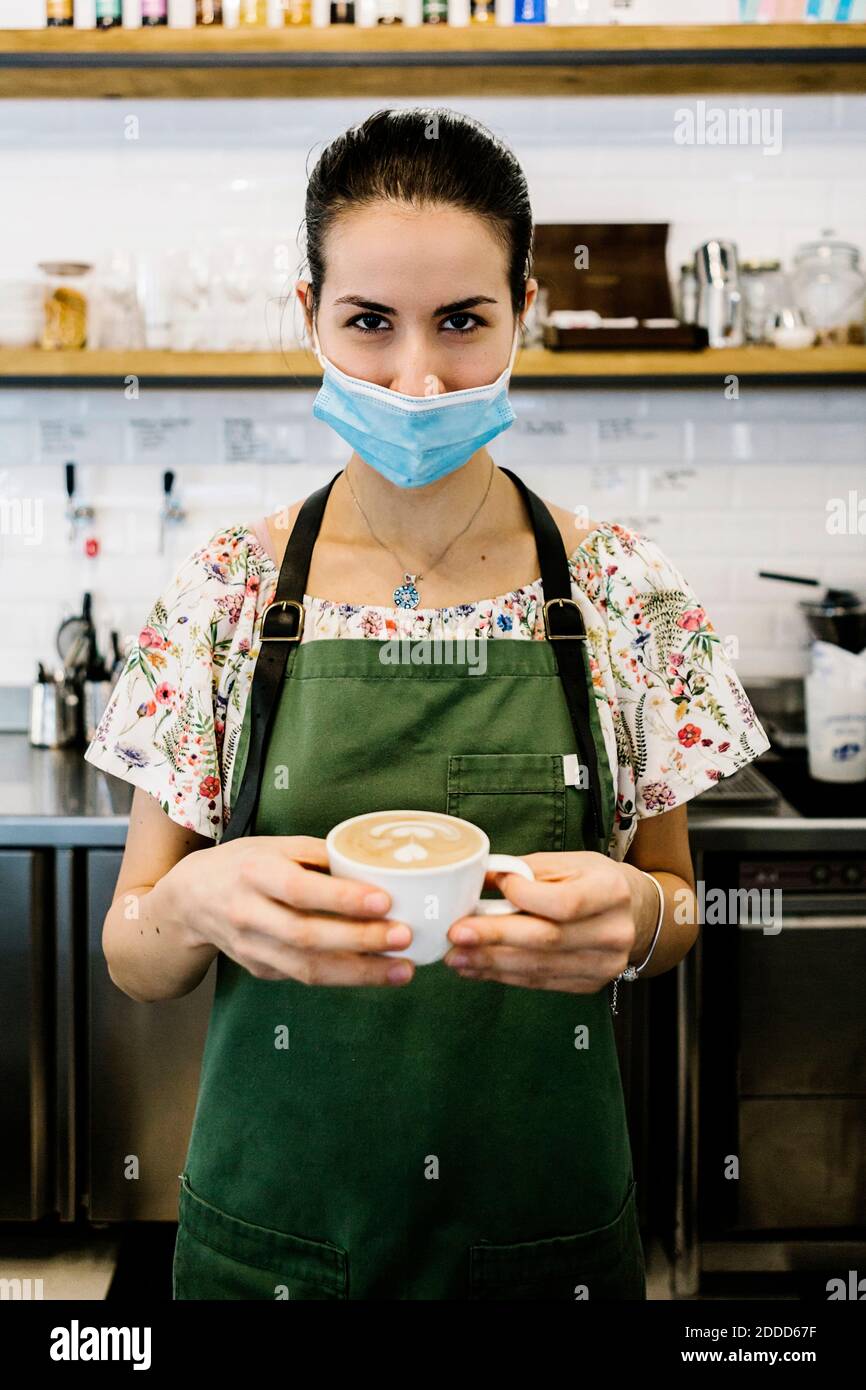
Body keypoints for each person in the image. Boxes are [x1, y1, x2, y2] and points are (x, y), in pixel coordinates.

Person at [86, 107, 771, 1301]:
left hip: (541, 1248)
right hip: (271, 1247)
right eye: (367, 323)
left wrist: (640, 923)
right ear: (307, 316)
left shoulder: (622, 589)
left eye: (462, 322)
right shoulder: (224, 592)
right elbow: (138, 957)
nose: (415, 378)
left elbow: (672, 909)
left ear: (524, 317)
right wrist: (190, 897)